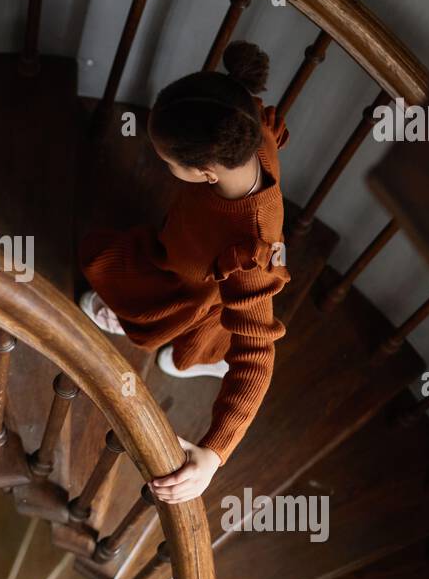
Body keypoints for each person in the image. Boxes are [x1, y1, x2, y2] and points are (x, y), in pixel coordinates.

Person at [78, 41, 290, 503]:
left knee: (171, 314)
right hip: (181, 248)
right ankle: (190, 352)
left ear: (205, 172)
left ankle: (196, 352)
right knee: (129, 266)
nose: (164, 166)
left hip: (199, 285)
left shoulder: (249, 251)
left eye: (169, 162)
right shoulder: (244, 127)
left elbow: (258, 355)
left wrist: (214, 453)